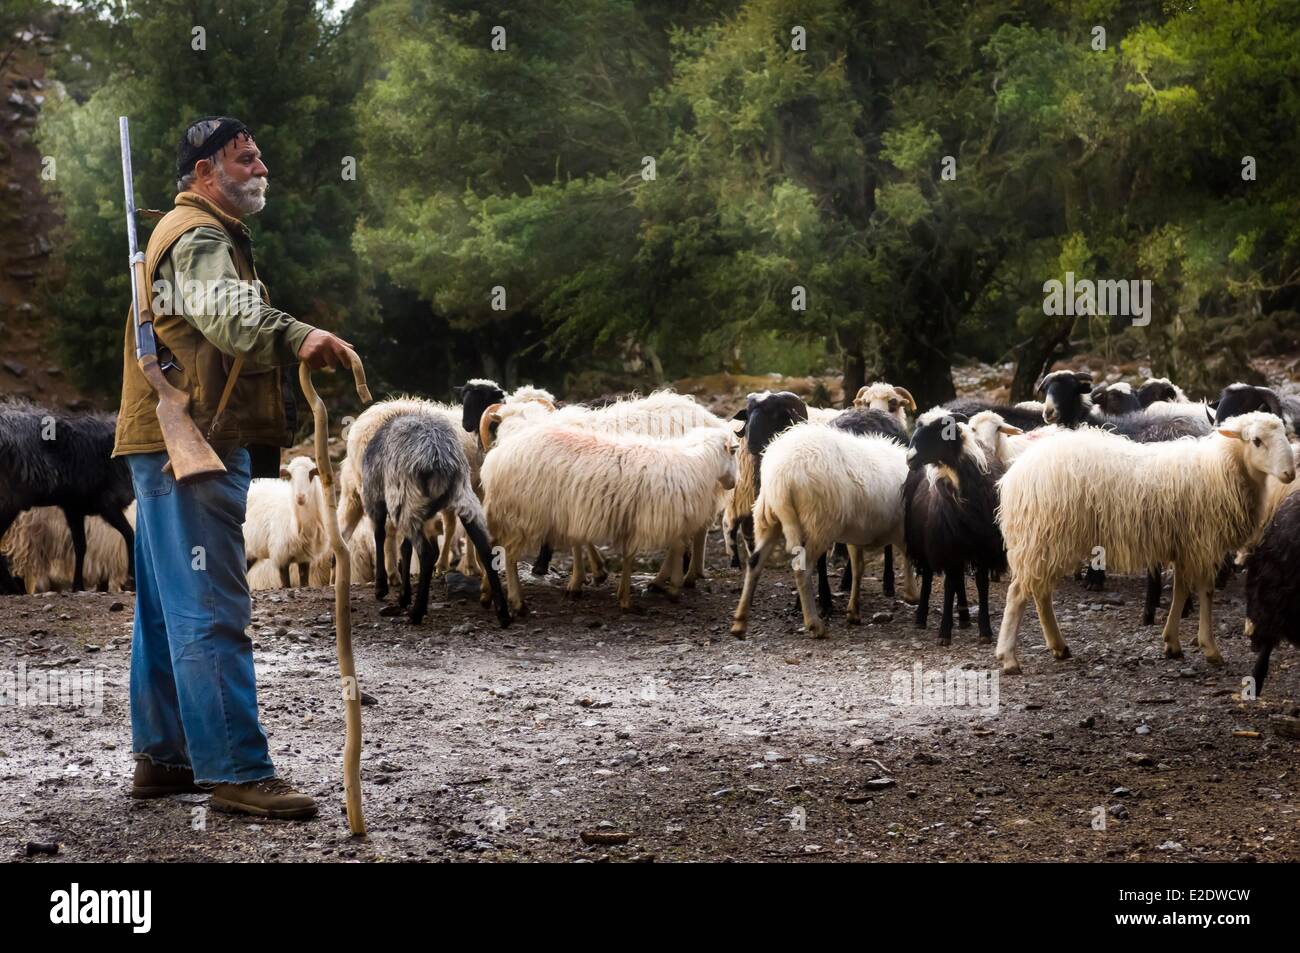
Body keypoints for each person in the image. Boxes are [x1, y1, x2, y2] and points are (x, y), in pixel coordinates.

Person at [112, 116, 356, 819]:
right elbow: (229, 317)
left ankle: (166, 757)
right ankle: (238, 770)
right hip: (195, 443)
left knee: (167, 608)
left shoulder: (188, 232)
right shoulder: (199, 237)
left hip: (167, 443)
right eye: (246, 159)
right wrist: (299, 334)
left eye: (259, 157)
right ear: (204, 173)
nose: (261, 169)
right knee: (212, 608)